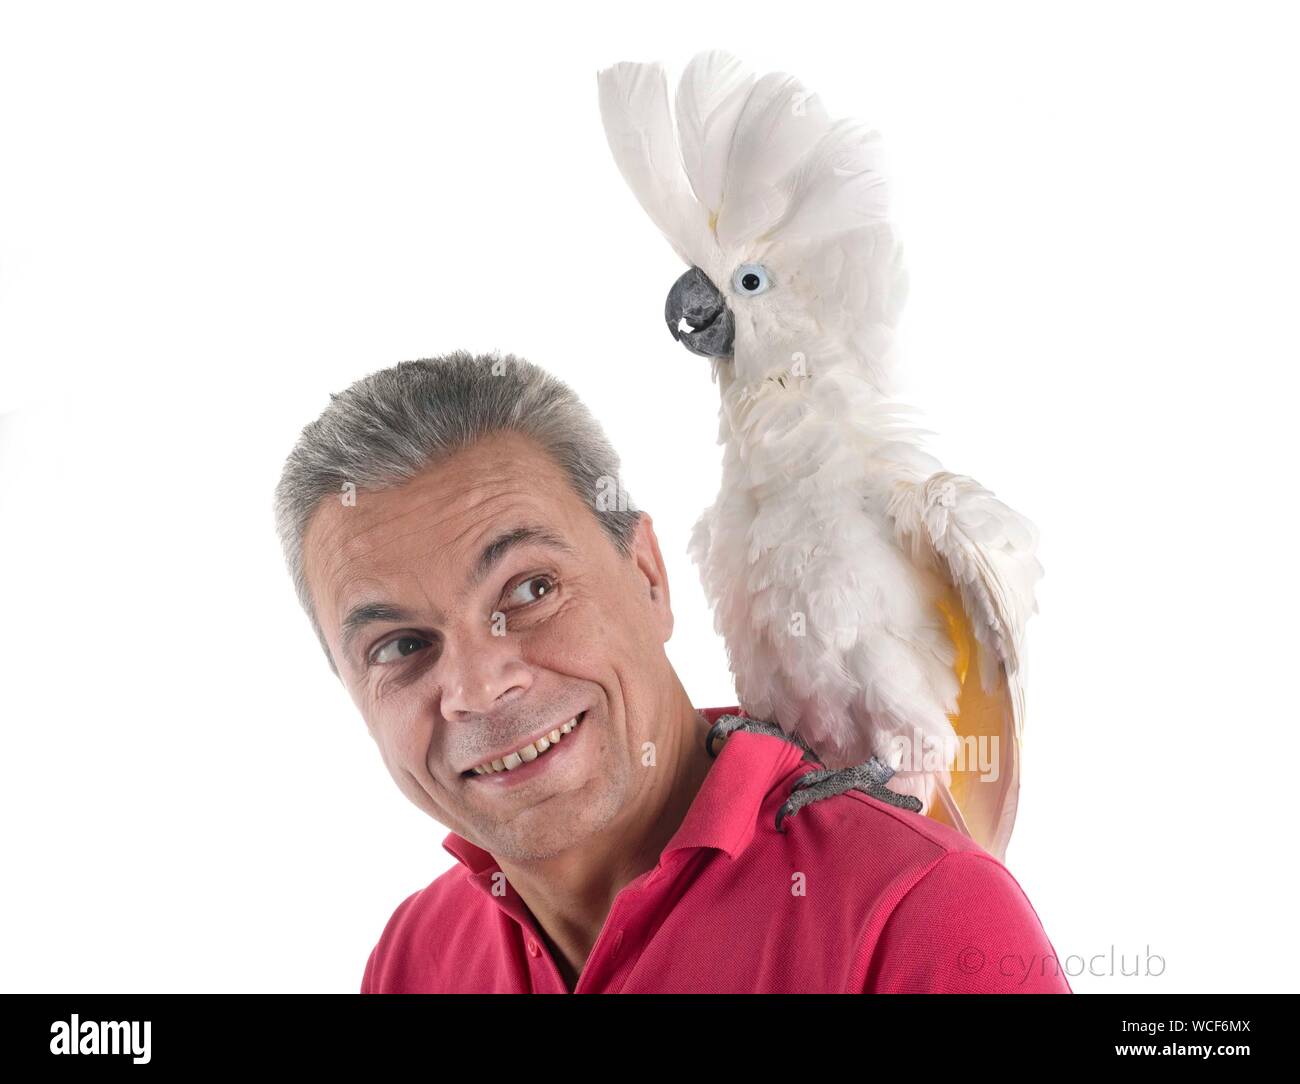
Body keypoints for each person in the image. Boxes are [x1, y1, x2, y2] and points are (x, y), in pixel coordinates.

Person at [272, 349, 1072, 993]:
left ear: (649, 578)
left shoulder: (919, 913)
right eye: (402, 646)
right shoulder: (414, 957)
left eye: (531, 589)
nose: (480, 688)